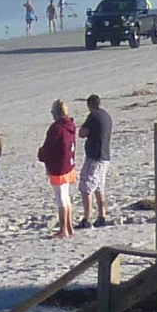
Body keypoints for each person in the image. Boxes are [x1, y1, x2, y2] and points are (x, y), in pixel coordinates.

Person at [37, 99, 77, 238]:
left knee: (61, 199)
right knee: (66, 197)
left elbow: (48, 147)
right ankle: (69, 226)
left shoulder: (56, 128)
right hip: (68, 164)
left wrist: (41, 154)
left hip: (59, 166)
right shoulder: (70, 125)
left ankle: (63, 229)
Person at [77, 93, 112, 229]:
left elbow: (82, 133)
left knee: (86, 186)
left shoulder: (93, 116)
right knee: (98, 187)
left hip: (95, 156)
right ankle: (101, 215)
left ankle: (87, 217)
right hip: (105, 156)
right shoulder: (106, 116)